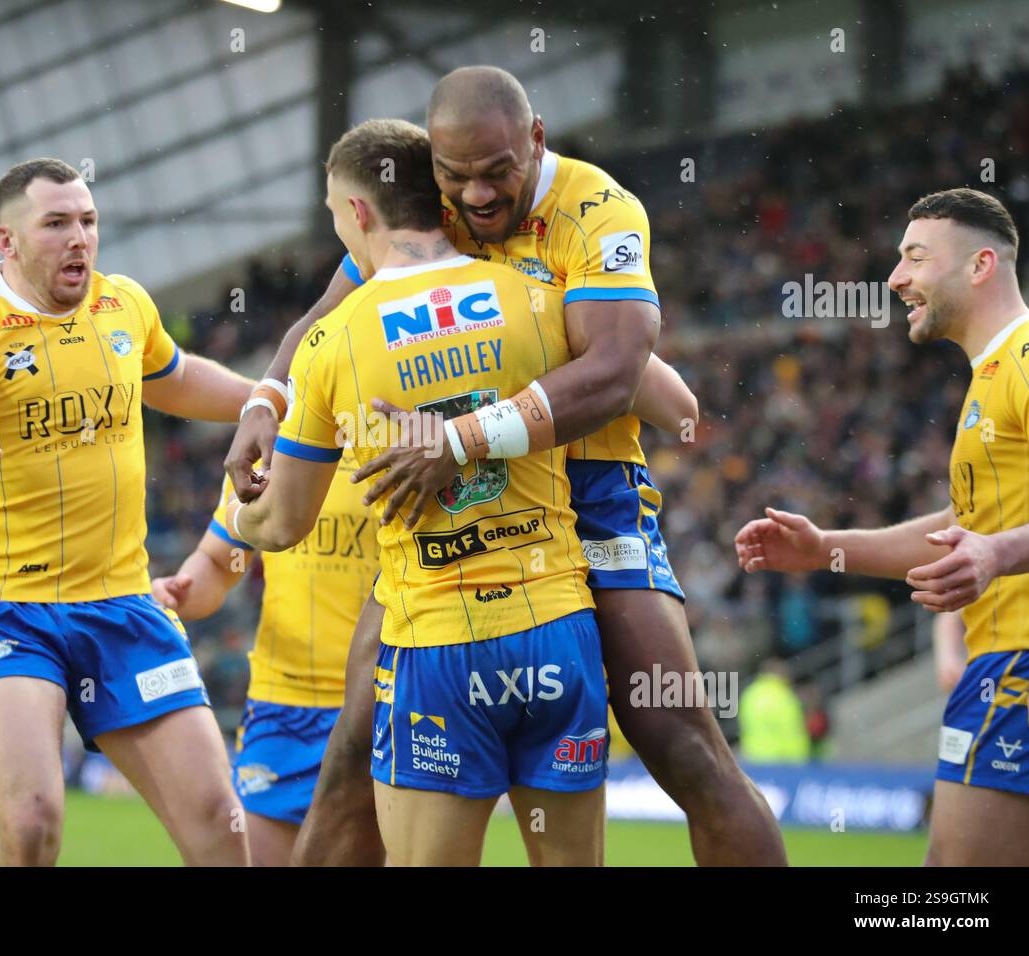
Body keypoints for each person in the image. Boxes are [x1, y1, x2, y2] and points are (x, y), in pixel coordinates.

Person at [226, 66, 785, 867]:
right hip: (462, 510)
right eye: (455, 179)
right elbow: (326, 314)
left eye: (496, 174)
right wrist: (263, 400)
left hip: (590, 498)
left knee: (684, 748)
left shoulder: (598, 211)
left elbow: (618, 369)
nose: (477, 198)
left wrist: (455, 439)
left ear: (536, 140)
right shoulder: (440, 211)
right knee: (350, 759)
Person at [233, 117, 607, 866]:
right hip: (558, 629)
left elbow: (281, 526)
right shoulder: (534, 293)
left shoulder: (334, 339)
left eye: (337, 215)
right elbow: (650, 388)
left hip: (438, 646)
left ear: (358, 214)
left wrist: (239, 509)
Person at [0, 158, 253, 866]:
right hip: (11, 612)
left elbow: (178, 379)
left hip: (126, 608)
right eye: (56, 224)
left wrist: (268, 401)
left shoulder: (125, 305)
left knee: (220, 822)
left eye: (88, 221)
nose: (80, 238)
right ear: (5, 242)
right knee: (34, 823)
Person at [735, 188, 1029, 865]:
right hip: (1003, 666)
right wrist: (825, 551)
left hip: (1022, 664)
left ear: (980, 265)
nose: (896, 278)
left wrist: (997, 554)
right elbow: (966, 526)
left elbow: (990, 540)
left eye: (915, 258)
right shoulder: (990, 378)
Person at [150, 448, 382, 866]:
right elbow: (220, 563)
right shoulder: (268, 450)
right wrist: (178, 592)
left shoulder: (399, 433)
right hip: (282, 707)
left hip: (379, 706)